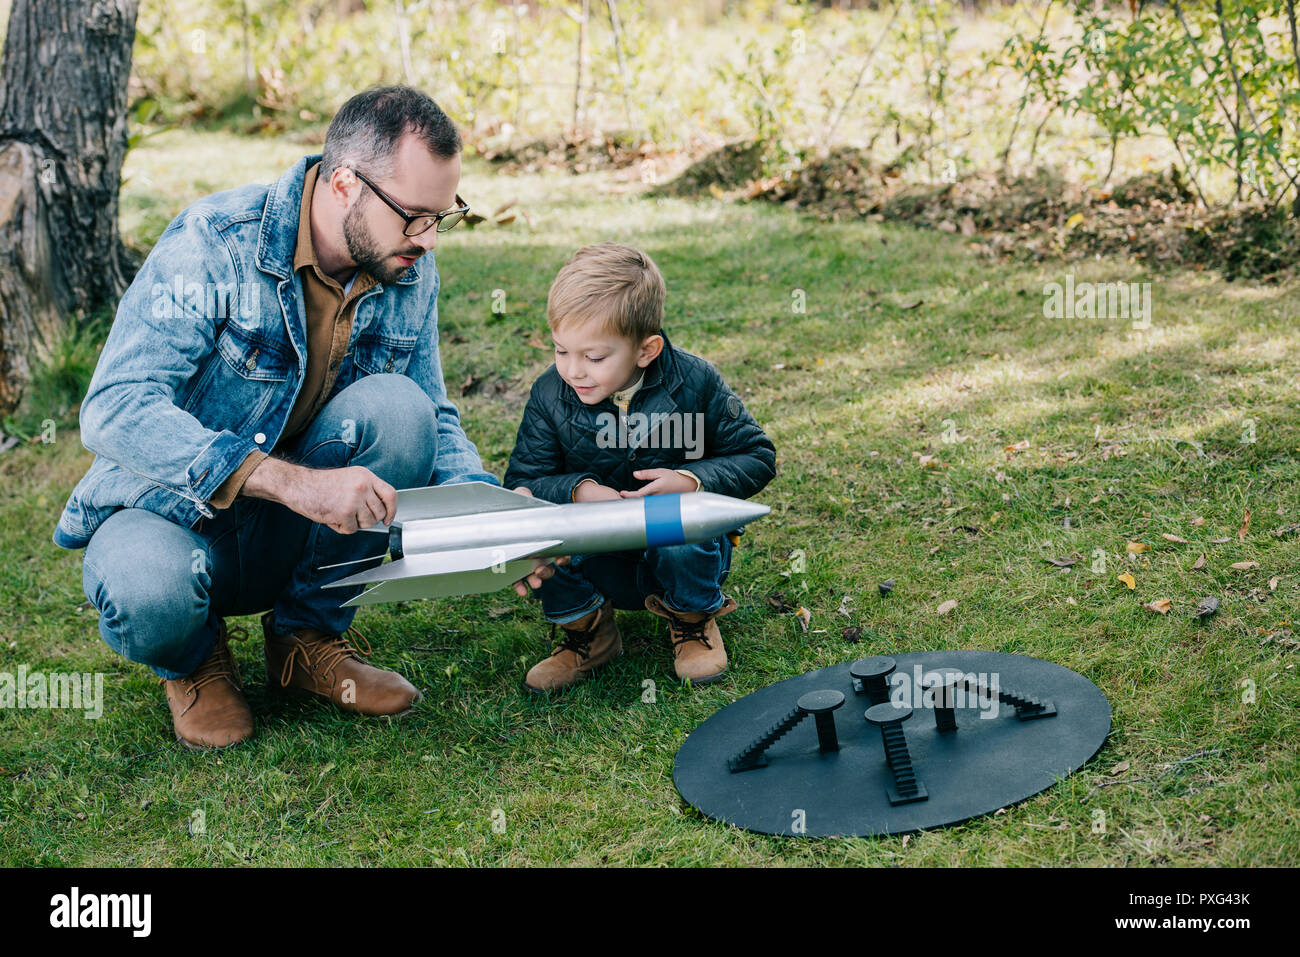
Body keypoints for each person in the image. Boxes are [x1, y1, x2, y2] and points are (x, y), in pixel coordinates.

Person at [52, 86, 557, 749]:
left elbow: (432, 411)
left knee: (401, 412)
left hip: (293, 531)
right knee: (146, 590)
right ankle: (195, 661)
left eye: (444, 215)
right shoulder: (212, 242)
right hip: (169, 515)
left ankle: (305, 639)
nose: (429, 240)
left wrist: (489, 510)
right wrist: (293, 483)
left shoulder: (405, 267)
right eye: (414, 216)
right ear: (345, 182)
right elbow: (116, 407)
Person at [505, 243, 776, 692]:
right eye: (560, 350)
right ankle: (586, 631)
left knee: (683, 537)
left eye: (594, 357)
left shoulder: (696, 382)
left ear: (646, 350)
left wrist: (691, 481)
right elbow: (523, 484)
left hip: (677, 545)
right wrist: (578, 489)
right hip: (594, 552)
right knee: (533, 530)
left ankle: (692, 620)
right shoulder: (550, 394)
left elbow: (756, 456)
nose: (574, 370)